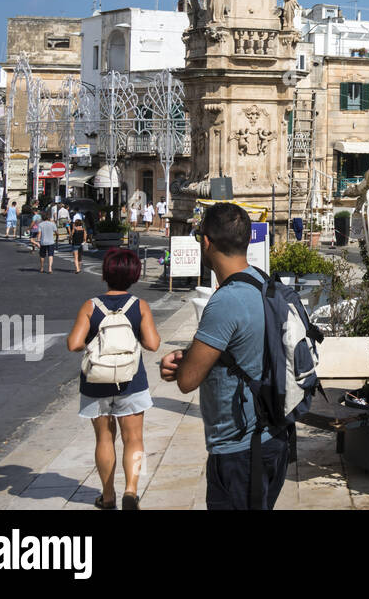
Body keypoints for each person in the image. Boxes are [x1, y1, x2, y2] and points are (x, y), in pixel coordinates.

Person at [160, 202, 290, 510]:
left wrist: (182, 365)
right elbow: (243, 346)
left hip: (239, 450)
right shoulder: (263, 282)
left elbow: (188, 381)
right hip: (273, 437)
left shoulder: (225, 301)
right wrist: (190, 356)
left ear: (206, 242)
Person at [67, 249, 159, 510]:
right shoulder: (139, 306)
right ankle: (131, 491)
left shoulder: (90, 306)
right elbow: (152, 344)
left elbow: (73, 344)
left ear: (105, 274)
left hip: (96, 381)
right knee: (134, 439)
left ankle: (108, 496)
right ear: (134, 275)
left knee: (104, 439)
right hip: (131, 381)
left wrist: (93, 342)